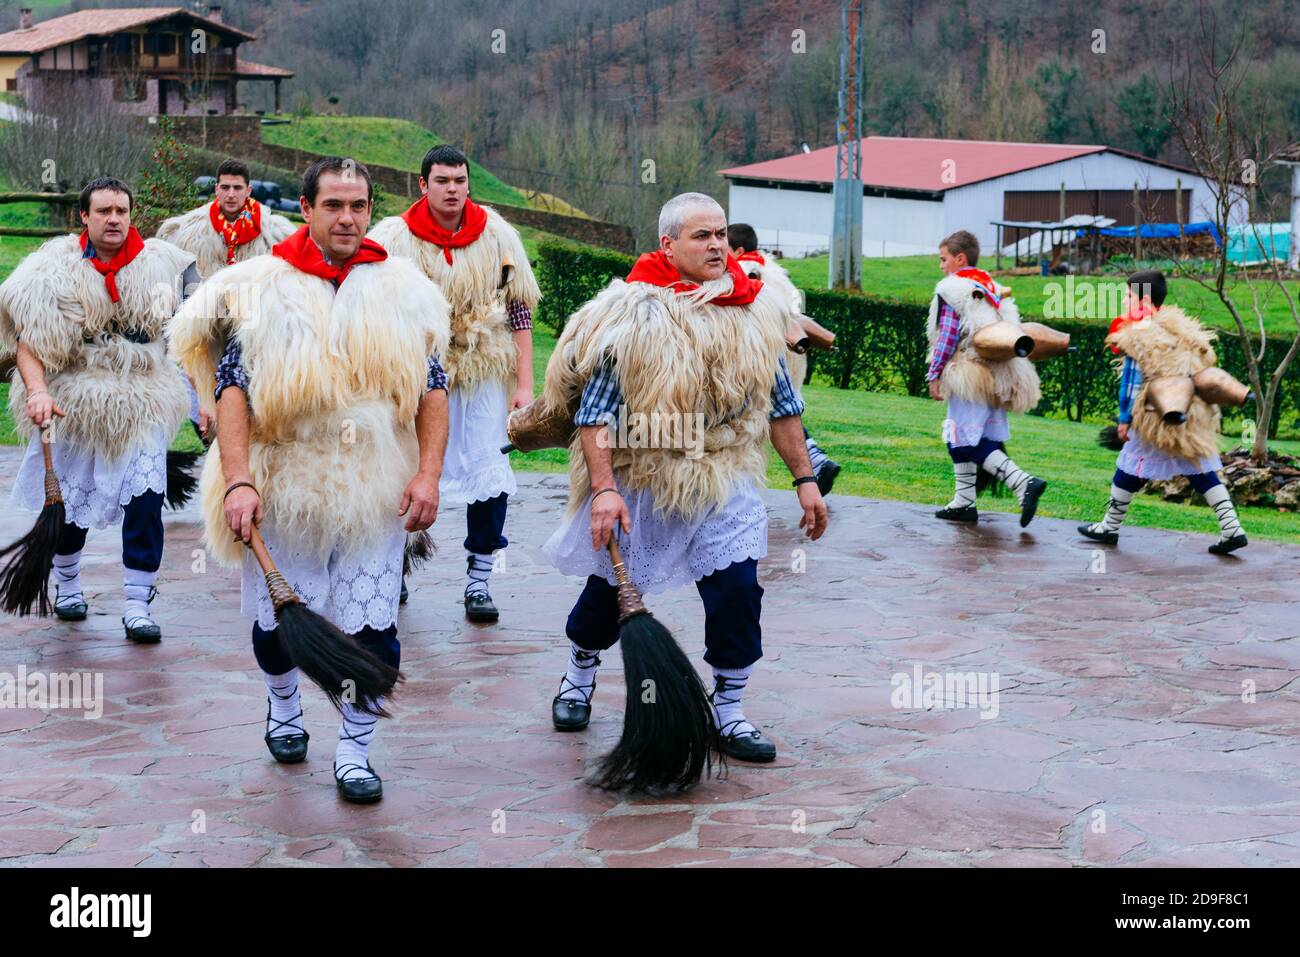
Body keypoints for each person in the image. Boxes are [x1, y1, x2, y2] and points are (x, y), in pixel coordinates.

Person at [169, 157, 452, 803]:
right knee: (277, 626)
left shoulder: (404, 288)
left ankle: (355, 750)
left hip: (376, 482)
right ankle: (285, 704)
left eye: (358, 205)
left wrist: (429, 473)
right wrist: (239, 479)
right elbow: (231, 385)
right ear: (306, 208)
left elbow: (434, 389)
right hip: (285, 477)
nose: (348, 217)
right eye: (334, 206)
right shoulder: (261, 286)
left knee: (375, 625)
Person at [539, 192, 829, 763]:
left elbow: (782, 405)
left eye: (721, 234)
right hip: (648, 472)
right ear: (668, 245)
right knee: (611, 592)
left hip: (726, 472)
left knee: (738, 590)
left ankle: (731, 708)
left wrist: (805, 477)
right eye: (702, 236)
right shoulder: (631, 315)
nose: (717, 245)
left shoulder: (756, 310)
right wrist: (604, 491)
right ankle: (579, 673)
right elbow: (594, 414)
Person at [0, 176, 200, 642]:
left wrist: (201, 400)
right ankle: (67, 583)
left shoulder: (162, 267)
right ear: (84, 217)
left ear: (131, 216)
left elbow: (190, 338)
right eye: (104, 211)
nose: (114, 219)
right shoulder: (51, 272)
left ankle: (137, 602)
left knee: (146, 499)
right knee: (70, 502)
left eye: (121, 212)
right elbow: (30, 344)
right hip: (76, 397)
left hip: (144, 393)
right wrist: (36, 392)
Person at [368, 145, 539, 622]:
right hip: (417, 373)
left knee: (488, 471)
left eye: (460, 181)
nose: (452, 190)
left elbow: (520, 309)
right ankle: (393, 569)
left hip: (484, 371)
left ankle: (479, 580)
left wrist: (524, 384)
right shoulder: (394, 237)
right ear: (423, 185)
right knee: (404, 469)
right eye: (442, 181)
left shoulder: (498, 234)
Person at [1078, 270, 1247, 554]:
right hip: (1190, 412)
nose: (1124, 299)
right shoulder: (1180, 329)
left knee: (1128, 469)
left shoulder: (1139, 333)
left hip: (1154, 414)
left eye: (1128, 295)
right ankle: (1232, 527)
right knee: (1199, 468)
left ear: (1142, 299)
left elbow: (1131, 383)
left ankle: (1109, 526)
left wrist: (1124, 419)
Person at [926, 230, 1046, 526]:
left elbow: (948, 336)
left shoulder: (953, 288)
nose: (941, 266)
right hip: (996, 375)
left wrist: (934, 373)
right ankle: (964, 502)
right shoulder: (992, 287)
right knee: (970, 438)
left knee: (963, 441)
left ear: (959, 258)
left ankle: (1022, 482)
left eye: (944, 259)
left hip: (967, 375)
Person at [727, 223, 841, 494]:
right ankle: (815, 459)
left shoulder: (745, 270)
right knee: (779, 412)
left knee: (758, 415)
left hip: (762, 353)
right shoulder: (777, 274)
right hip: (791, 353)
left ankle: (742, 484)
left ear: (739, 250)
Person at [156, 158, 296, 279]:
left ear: (248, 190)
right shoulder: (190, 232)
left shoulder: (274, 234)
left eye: (237, 188)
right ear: (216, 189)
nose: (230, 194)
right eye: (225, 187)